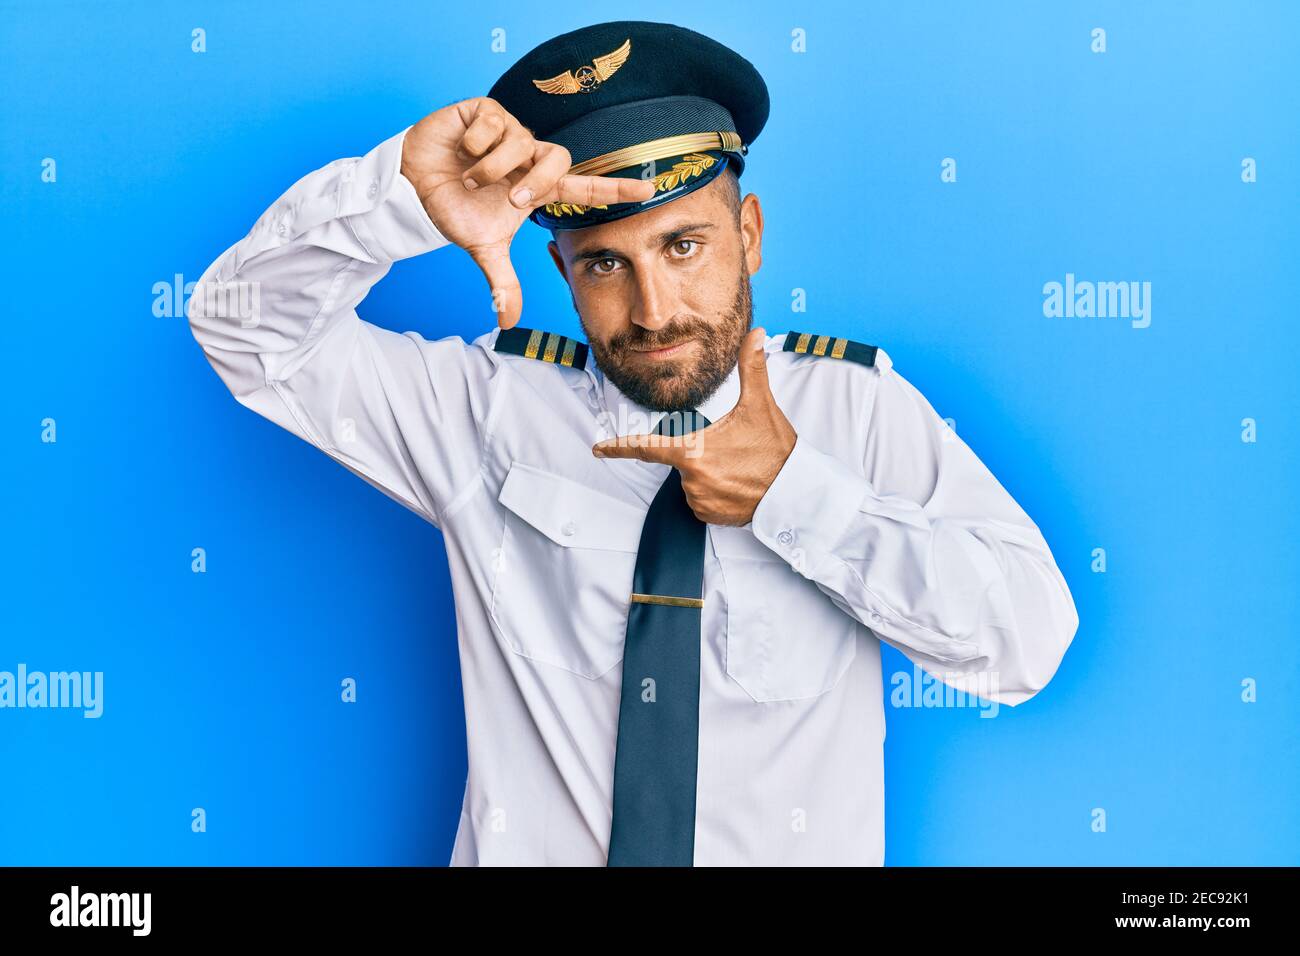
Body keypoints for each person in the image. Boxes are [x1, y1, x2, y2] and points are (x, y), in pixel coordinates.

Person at [187, 20, 1078, 866]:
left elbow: (1028, 645)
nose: (654, 312)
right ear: (562, 270)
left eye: (684, 245)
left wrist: (796, 494)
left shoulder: (857, 413)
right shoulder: (485, 413)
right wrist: (399, 202)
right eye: (606, 263)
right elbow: (243, 329)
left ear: (751, 235)